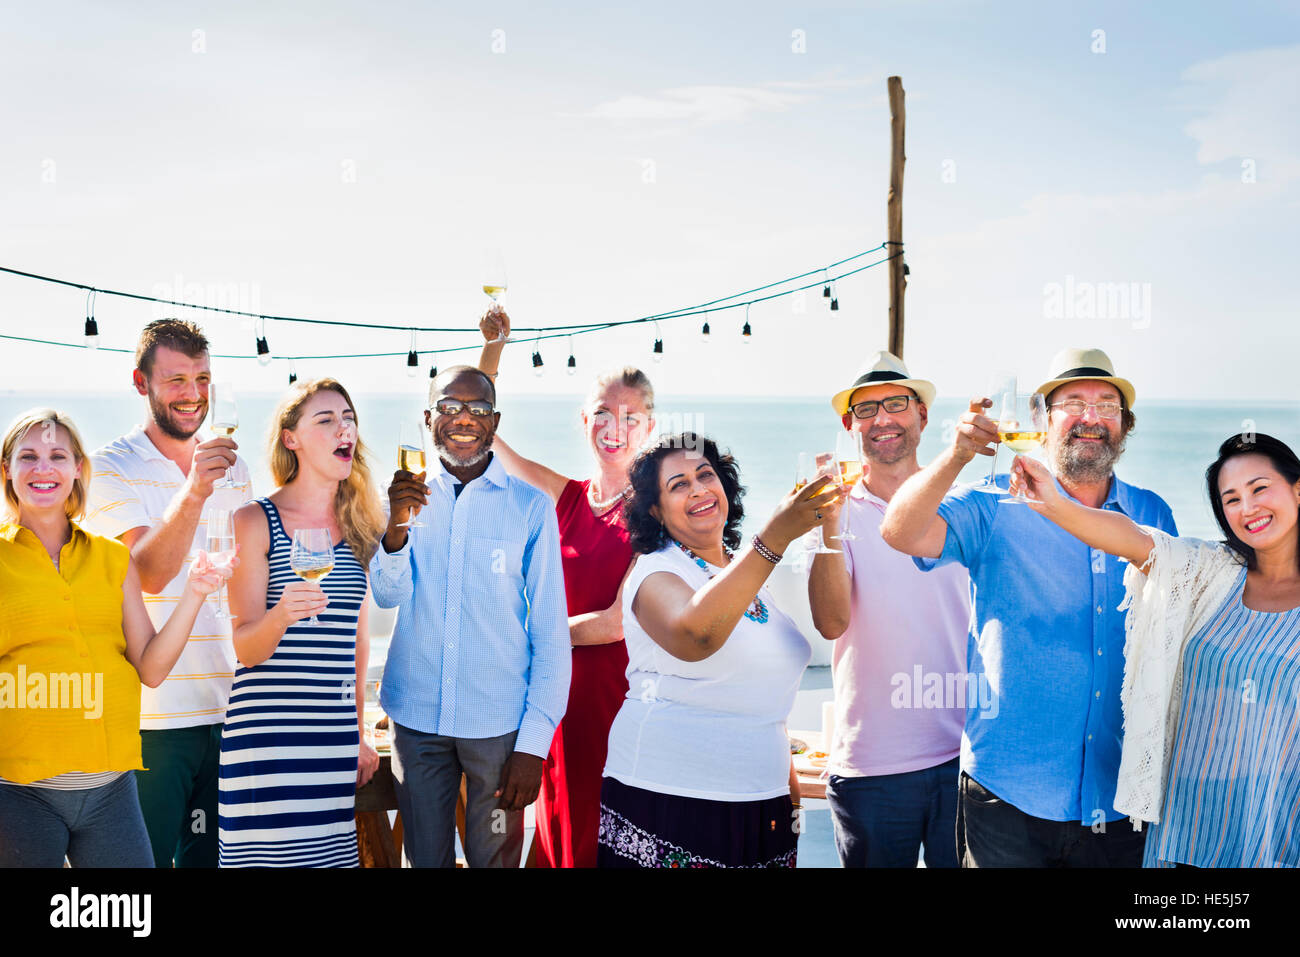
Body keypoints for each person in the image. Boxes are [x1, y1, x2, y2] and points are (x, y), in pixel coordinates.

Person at [881, 347, 1178, 867]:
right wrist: (954, 457)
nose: (1091, 417)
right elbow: (899, 531)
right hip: (1008, 794)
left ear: (1124, 425)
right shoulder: (991, 502)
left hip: (1121, 796)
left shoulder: (1153, 512)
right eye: (1074, 402)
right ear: (1041, 417)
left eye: (1107, 404)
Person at [1010, 433, 1300, 867]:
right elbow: (1133, 539)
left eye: (1260, 489)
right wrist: (1055, 503)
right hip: (1187, 818)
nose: (1248, 508)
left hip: (1275, 820)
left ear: (1297, 489)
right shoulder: (1210, 573)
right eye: (1231, 499)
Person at [0, 409, 229, 867]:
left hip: (112, 793)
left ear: (78, 469)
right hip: (20, 793)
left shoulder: (113, 559)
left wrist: (196, 594)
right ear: (7, 470)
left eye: (57, 456)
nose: (44, 468)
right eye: (28, 457)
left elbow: (151, 666)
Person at [599, 431, 834, 868]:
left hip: (763, 802)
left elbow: (765, 699)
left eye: (705, 474)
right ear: (656, 509)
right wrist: (774, 539)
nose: (699, 489)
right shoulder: (655, 571)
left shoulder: (744, 573)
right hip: (671, 799)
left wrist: (790, 795)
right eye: (679, 484)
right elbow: (695, 636)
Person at [370, 365, 571, 868]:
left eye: (478, 409)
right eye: (450, 407)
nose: (464, 419)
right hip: (416, 719)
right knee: (424, 859)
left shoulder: (530, 507)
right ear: (427, 417)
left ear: (495, 422)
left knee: (495, 861)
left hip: (499, 728)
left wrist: (535, 744)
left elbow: (549, 631)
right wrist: (395, 527)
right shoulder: (399, 500)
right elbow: (386, 594)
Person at [476, 306, 654, 867]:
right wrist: (494, 351)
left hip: (617, 707)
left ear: (649, 426)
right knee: (554, 842)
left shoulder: (655, 513)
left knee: (603, 843)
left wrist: (526, 642)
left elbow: (614, 622)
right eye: (603, 413)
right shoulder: (567, 496)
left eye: (630, 416)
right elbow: (484, 437)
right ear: (584, 421)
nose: (615, 427)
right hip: (556, 703)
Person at [82, 318, 252, 868]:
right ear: (141, 383)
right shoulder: (108, 468)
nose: (193, 395)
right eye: (176, 379)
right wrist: (196, 489)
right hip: (153, 720)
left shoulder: (236, 467)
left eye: (202, 379)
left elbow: (247, 585)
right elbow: (147, 574)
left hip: (231, 710)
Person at [808, 352, 970, 868]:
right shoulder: (834, 515)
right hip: (870, 767)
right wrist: (828, 523)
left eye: (896, 404)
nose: (882, 419)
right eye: (866, 410)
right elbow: (831, 622)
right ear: (849, 425)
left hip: (967, 755)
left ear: (922, 415)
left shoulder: (965, 504)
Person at [221, 378, 384, 867]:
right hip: (267, 738)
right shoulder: (253, 520)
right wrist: (280, 615)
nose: (344, 430)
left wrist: (357, 733)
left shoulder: (363, 526)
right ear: (290, 438)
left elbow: (356, 641)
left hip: (331, 738)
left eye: (349, 419)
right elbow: (247, 649)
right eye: (327, 420)